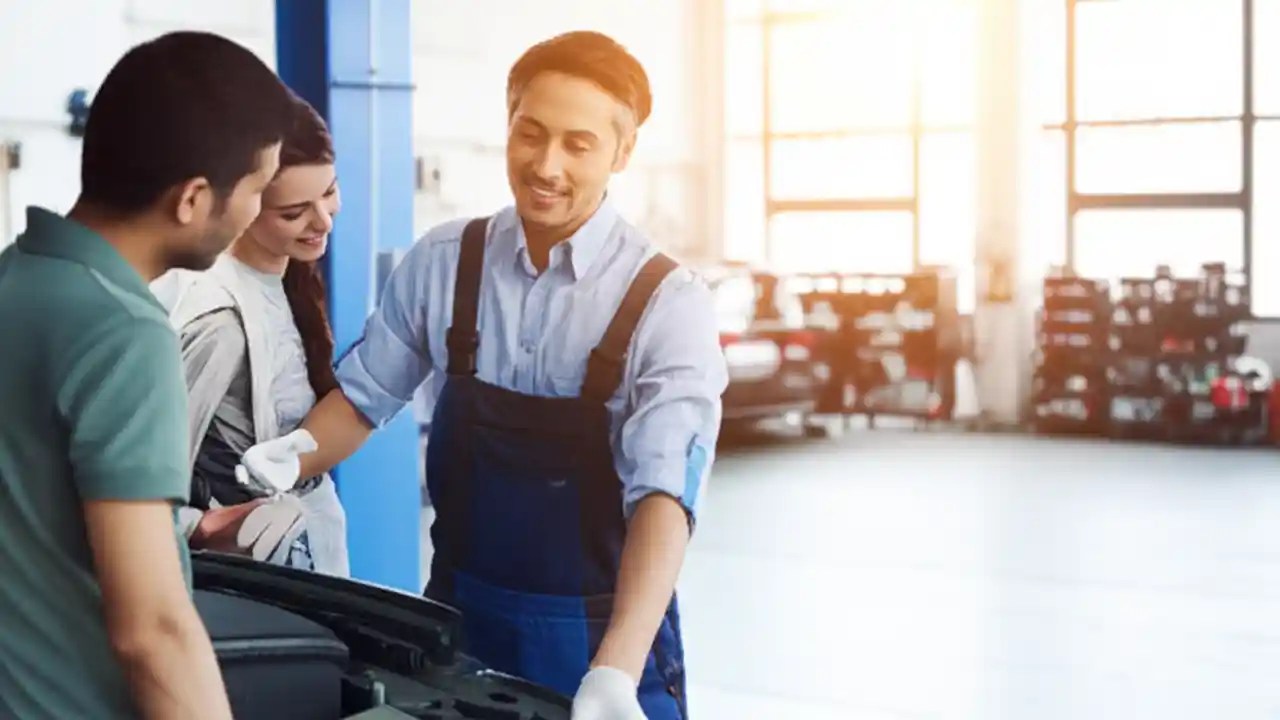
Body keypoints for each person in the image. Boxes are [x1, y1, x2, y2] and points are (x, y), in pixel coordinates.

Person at [241, 30, 728, 719]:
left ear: (623, 151)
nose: (547, 165)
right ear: (507, 122)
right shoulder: (443, 262)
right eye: (530, 133)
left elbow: (663, 499)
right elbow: (360, 400)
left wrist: (616, 670)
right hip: (460, 628)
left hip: (601, 639)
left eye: (578, 144)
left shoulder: (666, 303)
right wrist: (291, 458)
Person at [0, 31, 293, 720]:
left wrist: (180, 530)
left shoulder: (18, 281)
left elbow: (31, 505)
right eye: (256, 189)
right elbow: (153, 631)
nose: (254, 212)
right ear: (193, 199)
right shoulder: (123, 330)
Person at [158, 94, 349, 576]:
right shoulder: (219, 318)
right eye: (294, 212)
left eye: (330, 191)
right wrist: (205, 528)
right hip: (257, 578)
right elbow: (142, 493)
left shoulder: (285, 276)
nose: (324, 220)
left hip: (308, 555)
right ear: (238, 204)